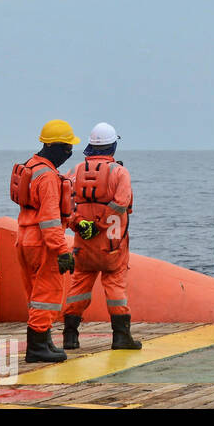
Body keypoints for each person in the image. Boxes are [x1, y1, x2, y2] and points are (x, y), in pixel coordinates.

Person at [62, 123, 141, 351]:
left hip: (83, 244)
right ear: (113, 146)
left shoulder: (76, 170)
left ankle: (69, 336)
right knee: (115, 287)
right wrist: (99, 226)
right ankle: (121, 336)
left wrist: (79, 224)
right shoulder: (119, 172)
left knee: (79, 286)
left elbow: (65, 203)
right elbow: (121, 203)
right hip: (112, 244)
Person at [9, 120, 80, 363]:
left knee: (34, 295)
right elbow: (50, 220)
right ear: (58, 147)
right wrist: (62, 251)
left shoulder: (30, 167)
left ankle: (44, 340)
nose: (69, 154)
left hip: (24, 239)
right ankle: (37, 348)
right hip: (43, 243)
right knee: (47, 295)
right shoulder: (48, 177)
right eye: (67, 148)